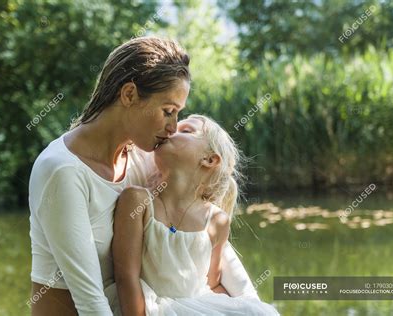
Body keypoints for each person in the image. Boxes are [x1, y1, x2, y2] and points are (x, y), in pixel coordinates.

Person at [28, 37, 257, 316]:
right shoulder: (62, 171)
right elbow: (90, 302)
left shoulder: (145, 154)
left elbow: (200, 236)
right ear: (129, 95)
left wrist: (251, 304)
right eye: (168, 112)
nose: (173, 127)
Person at [109, 115, 279, 315]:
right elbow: (126, 277)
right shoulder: (138, 201)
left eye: (186, 130)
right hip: (152, 307)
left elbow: (212, 281)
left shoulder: (217, 221)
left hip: (198, 305)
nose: (171, 131)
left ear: (210, 159)